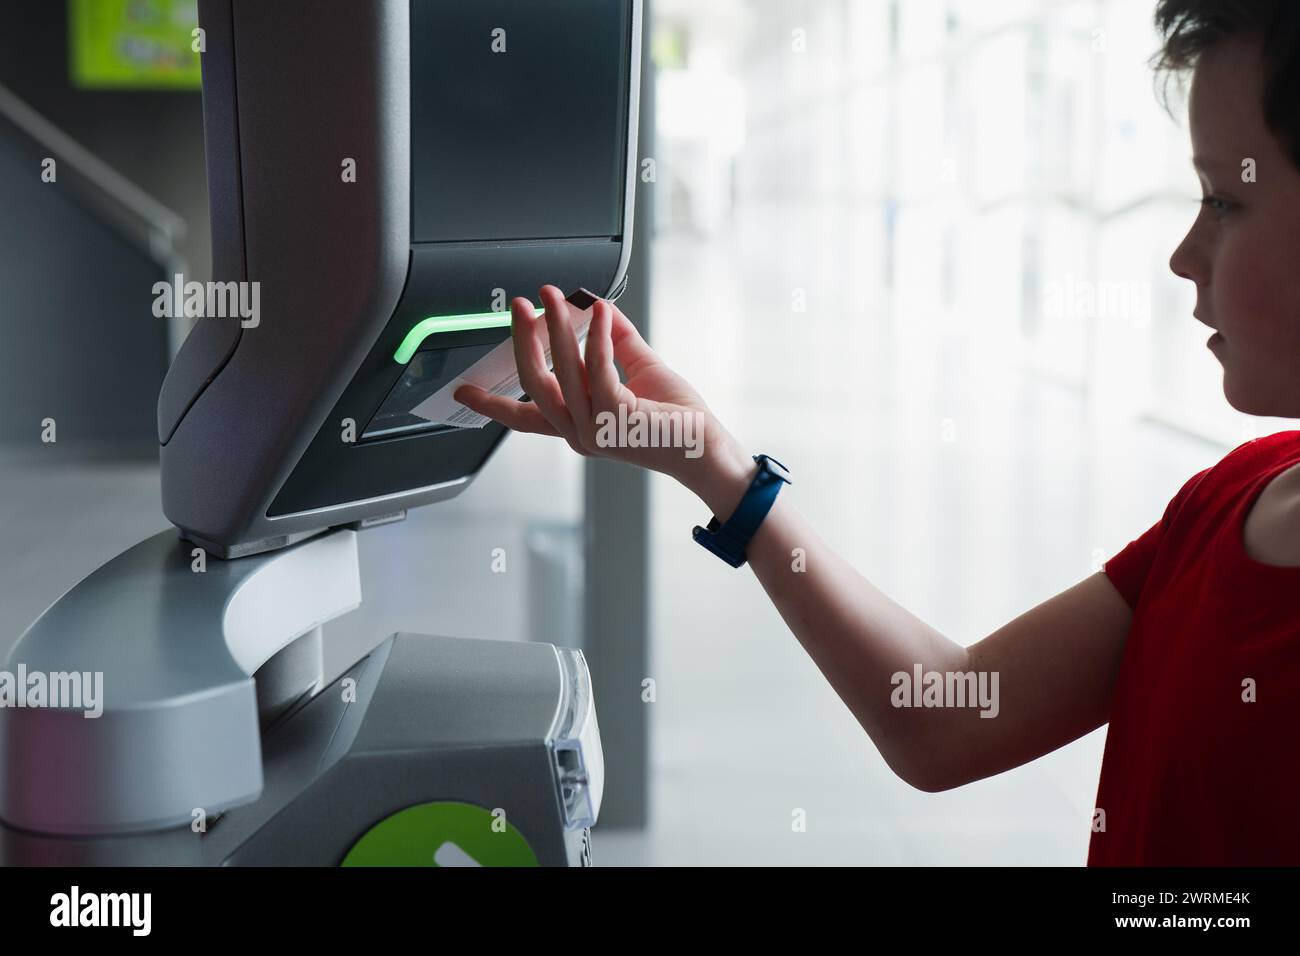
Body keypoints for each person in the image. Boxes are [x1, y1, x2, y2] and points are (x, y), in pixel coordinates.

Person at [455, 0, 1300, 866]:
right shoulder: (1232, 498)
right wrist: (718, 466)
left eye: (1228, 201)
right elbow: (942, 719)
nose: (1184, 254)